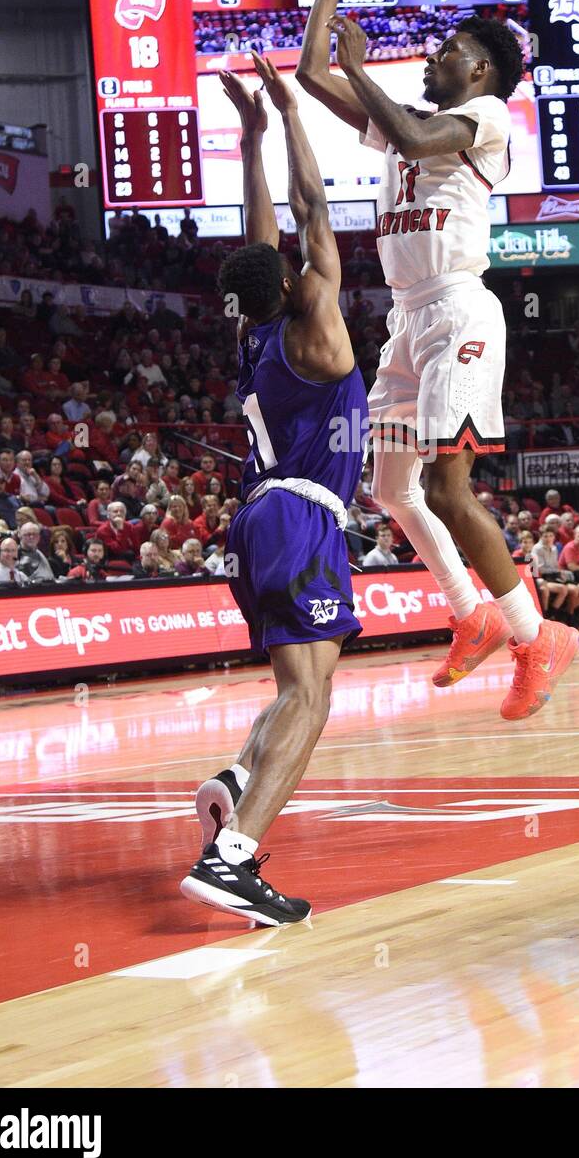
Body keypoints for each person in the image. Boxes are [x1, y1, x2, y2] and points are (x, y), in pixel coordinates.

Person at [297, 0, 579, 717]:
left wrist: (364, 73)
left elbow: (418, 139)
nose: (429, 57)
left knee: (450, 489)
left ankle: (536, 635)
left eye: (444, 50)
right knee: (391, 488)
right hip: (406, 317)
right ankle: (471, 612)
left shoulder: (486, 117)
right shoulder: (397, 129)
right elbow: (311, 70)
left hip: (458, 310)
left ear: (480, 68)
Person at [181, 55, 367, 927]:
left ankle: (235, 782)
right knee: (310, 697)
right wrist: (293, 115)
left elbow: (267, 237)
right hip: (299, 515)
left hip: (260, 519)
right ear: (292, 284)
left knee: (299, 688)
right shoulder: (316, 329)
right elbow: (312, 211)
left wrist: (250, 136)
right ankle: (234, 857)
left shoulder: (259, 332)